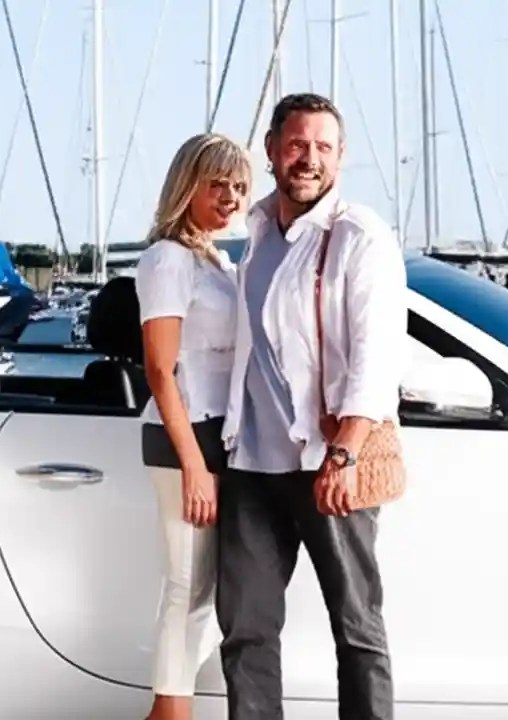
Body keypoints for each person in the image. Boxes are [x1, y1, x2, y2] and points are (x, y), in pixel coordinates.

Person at [217, 93, 407, 719]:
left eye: (324, 147)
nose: (309, 159)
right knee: (246, 630)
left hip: (328, 462)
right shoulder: (256, 231)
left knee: (356, 630)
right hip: (251, 463)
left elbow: (376, 359)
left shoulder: (360, 237)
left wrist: (346, 452)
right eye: (297, 144)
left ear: (341, 156)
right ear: (271, 149)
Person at [136, 132, 250, 720]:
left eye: (238, 185)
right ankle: (171, 712)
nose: (230, 196)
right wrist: (195, 465)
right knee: (186, 585)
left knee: (207, 589)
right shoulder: (167, 259)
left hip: (215, 434)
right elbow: (160, 369)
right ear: (188, 186)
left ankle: (166, 712)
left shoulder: (214, 257)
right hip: (184, 437)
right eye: (217, 184)